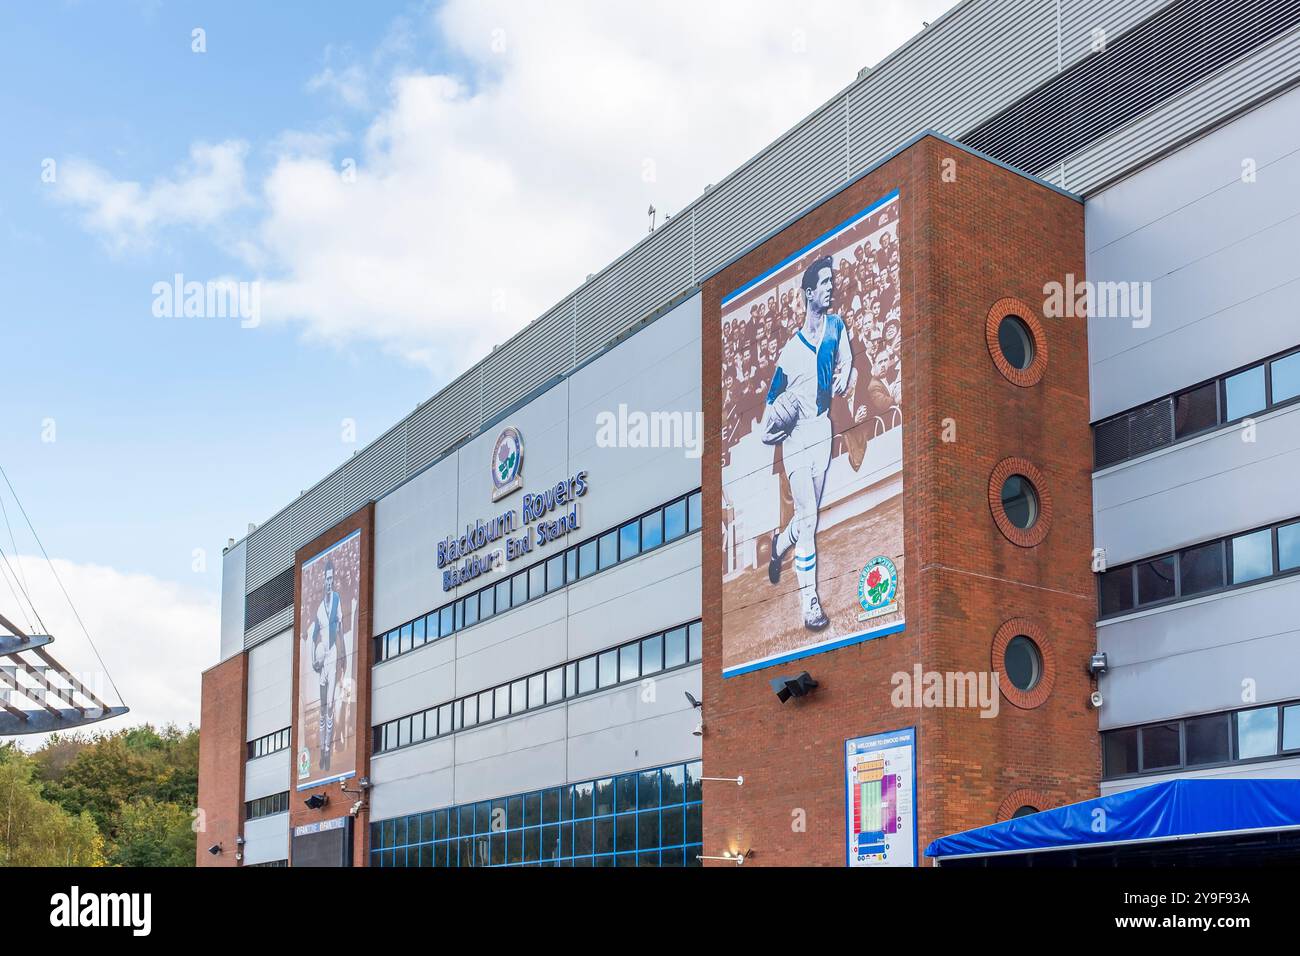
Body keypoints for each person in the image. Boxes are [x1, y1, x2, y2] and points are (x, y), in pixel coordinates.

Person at [763, 255, 852, 631]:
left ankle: (780, 544)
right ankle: (809, 604)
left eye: (833, 281)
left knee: (807, 517)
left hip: (822, 430)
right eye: (825, 283)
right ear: (808, 293)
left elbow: (847, 362)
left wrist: (844, 378)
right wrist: (776, 427)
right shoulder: (789, 353)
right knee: (810, 518)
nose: (832, 287)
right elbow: (770, 407)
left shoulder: (836, 327)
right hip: (797, 438)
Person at [307, 559, 344, 773]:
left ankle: (327, 752)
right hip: (323, 659)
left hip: (333, 657)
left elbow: (339, 630)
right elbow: (313, 637)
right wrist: (314, 659)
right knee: (322, 709)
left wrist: (342, 657)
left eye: (331, 578)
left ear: (333, 579)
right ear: (323, 581)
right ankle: (322, 751)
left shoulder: (337, 600)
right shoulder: (320, 608)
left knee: (330, 707)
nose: (329, 582)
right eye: (326, 579)